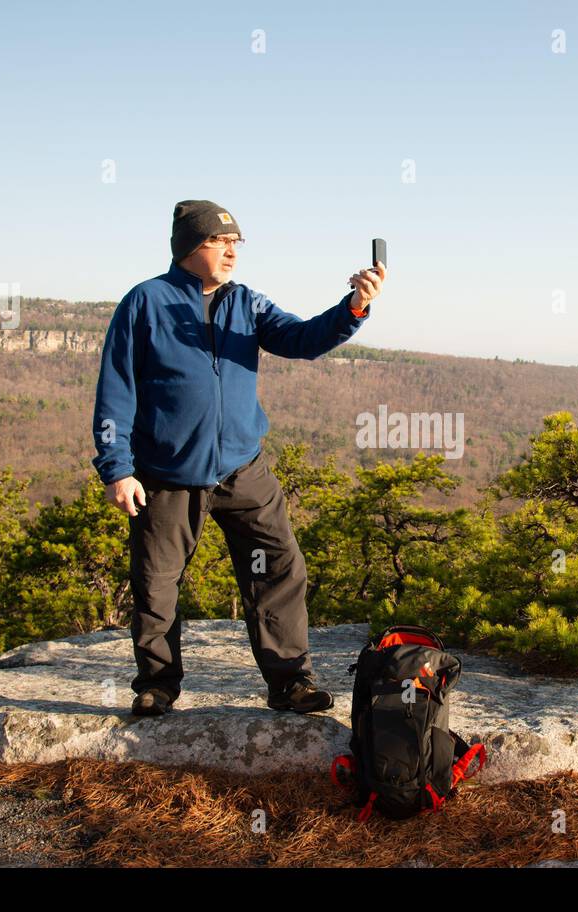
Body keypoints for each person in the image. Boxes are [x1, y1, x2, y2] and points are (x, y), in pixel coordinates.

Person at [91, 200, 386, 717]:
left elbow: (301, 339)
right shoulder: (144, 303)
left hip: (242, 469)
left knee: (278, 568)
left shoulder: (246, 303)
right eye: (218, 241)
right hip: (166, 474)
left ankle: (290, 683)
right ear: (189, 246)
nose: (231, 251)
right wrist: (117, 469)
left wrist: (354, 307)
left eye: (236, 242)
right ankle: (158, 685)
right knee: (156, 583)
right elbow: (116, 392)